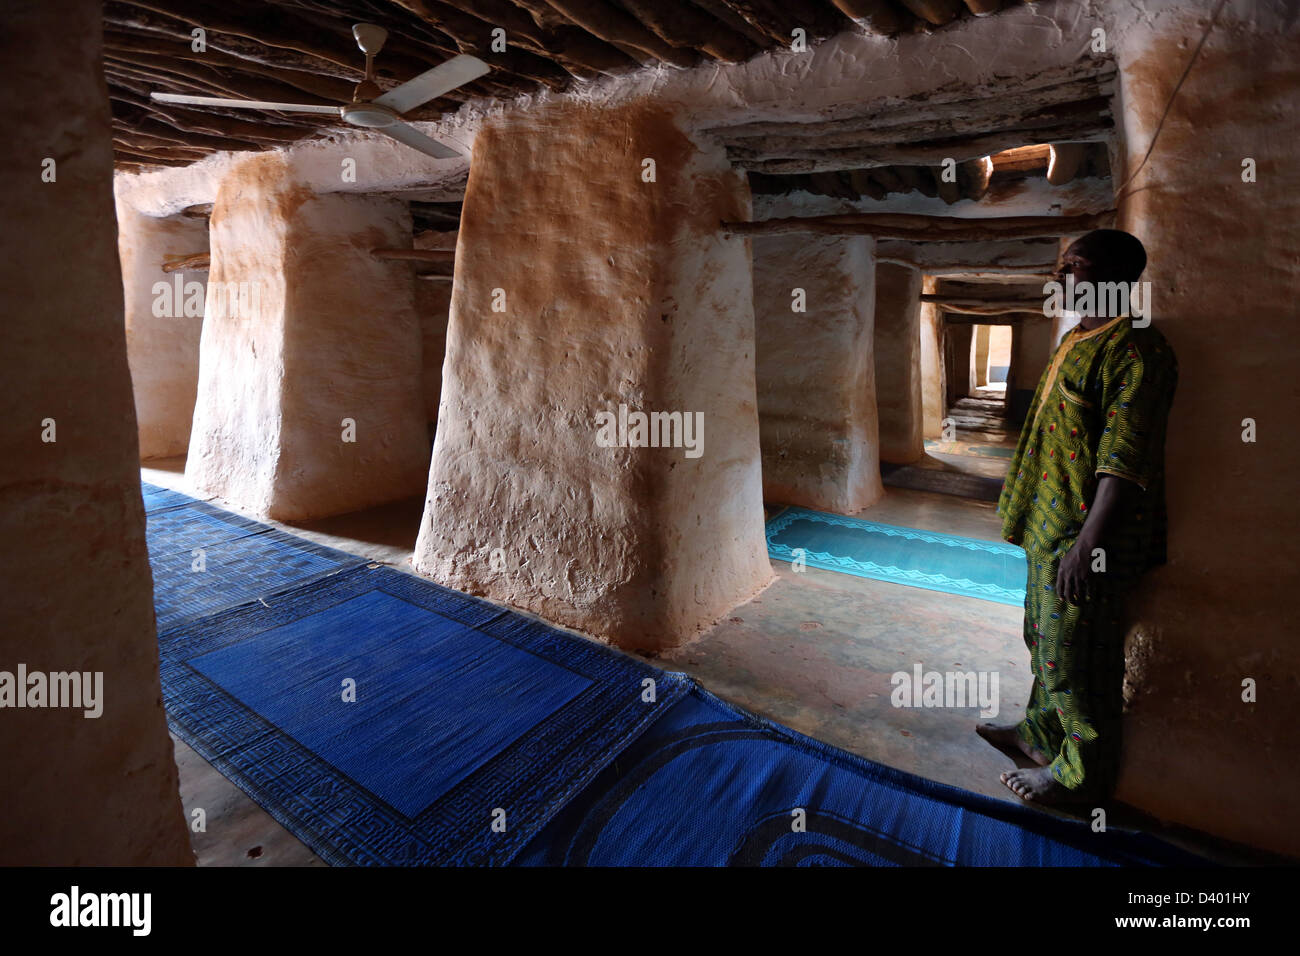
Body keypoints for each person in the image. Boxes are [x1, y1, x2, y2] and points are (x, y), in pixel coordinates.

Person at [977, 229, 1178, 804]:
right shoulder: (1077, 336)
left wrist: (1088, 545)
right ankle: (1041, 734)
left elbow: (1125, 459)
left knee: (1078, 658)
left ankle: (1079, 777)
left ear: (1115, 277)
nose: (1063, 278)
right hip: (1050, 523)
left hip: (1087, 537)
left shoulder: (1137, 350)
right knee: (1041, 637)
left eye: (1076, 267)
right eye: (1064, 266)